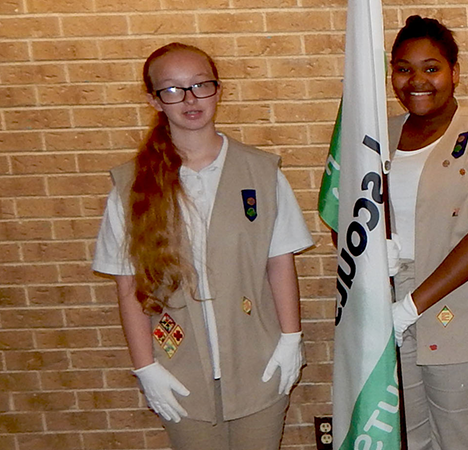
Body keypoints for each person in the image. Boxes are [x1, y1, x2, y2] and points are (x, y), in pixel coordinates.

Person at [93, 42, 313, 450]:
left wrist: (290, 339)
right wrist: (146, 368)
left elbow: (279, 263)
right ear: (154, 100)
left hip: (258, 364)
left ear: (219, 90)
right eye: (173, 90)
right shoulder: (130, 187)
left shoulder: (261, 172)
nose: (190, 99)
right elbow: (128, 288)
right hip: (179, 371)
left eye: (200, 85)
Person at [381, 15, 468, 450]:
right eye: (403, 68)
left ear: (454, 72)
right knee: (410, 441)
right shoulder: (378, 135)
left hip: (459, 316)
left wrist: (411, 307)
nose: (416, 80)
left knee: (467, 442)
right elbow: (351, 217)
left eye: (431, 68)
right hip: (389, 314)